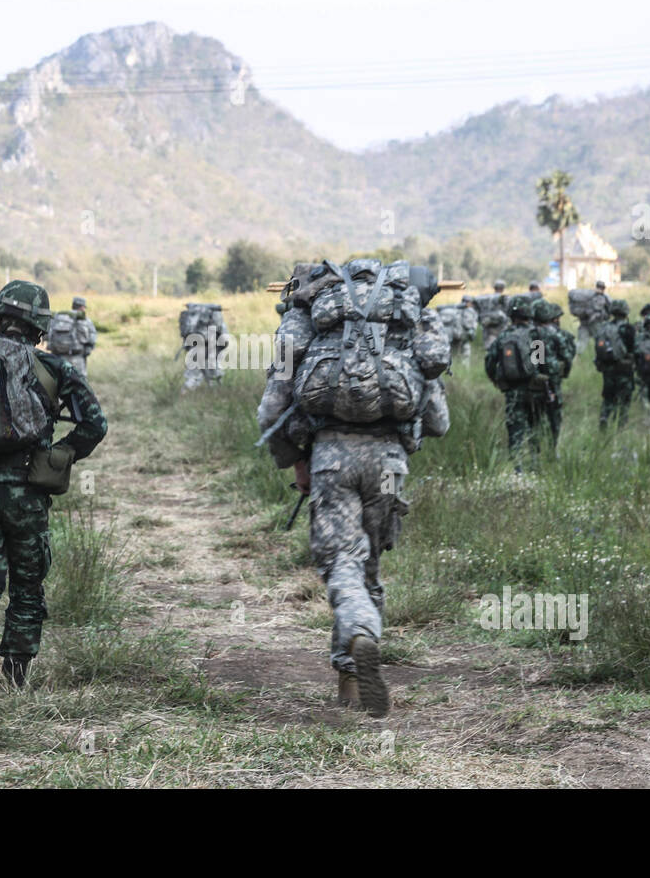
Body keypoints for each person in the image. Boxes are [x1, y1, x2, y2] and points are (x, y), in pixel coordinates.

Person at [256, 260, 449, 718]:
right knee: (370, 565)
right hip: (389, 462)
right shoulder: (406, 319)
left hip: (330, 457)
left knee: (341, 558)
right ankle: (352, 680)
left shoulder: (308, 320)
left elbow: (271, 411)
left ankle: (359, 638)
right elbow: (440, 421)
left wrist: (296, 460)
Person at [0, 280, 108, 707]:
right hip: (28, 495)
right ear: (38, 326)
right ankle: (14, 682)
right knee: (27, 586)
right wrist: (60, 455)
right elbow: (95, 424)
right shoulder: (53, 368)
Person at [485, 295, 549, 467]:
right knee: (535, 427)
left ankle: (517, 468)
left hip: (512, 391)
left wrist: (497, 381)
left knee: (515, 430)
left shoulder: (504, 336)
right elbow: (541, 362)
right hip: (534, 390)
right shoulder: (535, 334)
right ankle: (535, 465)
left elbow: (490, 363)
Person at [533, 298, 574, 449]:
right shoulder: (555, 334)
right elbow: (568, 356)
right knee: (554, 415)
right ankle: (553, 447)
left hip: (535, 381)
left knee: (536, 416)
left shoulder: (531, 333)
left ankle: (536, 447)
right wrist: (564, 372)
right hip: (553, 380)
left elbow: (535, 359)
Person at [594, 299, 636, 430]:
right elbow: (634, 348)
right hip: (624, 369)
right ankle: (620, 426)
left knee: (608, 397)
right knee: (624, 399)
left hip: (607, 368)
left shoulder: (604, 328)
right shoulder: (628, 329)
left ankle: (604, 417)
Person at [179, 302, 230, 389]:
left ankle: (187, 393)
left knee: (193, 375)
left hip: (196, 347)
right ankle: (215, 392)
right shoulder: (216, 318)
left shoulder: (193, 320)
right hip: (211, 348)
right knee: (213, 373)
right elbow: (224, 339)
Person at [44, 297, 98, 375]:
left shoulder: (58, 317)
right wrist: (87, 351)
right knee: (78, 384)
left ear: (73, 305)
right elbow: (92, 339)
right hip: (77, 359)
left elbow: (46, 336)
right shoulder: (84, 319)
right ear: (82, 307)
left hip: (56, 358)